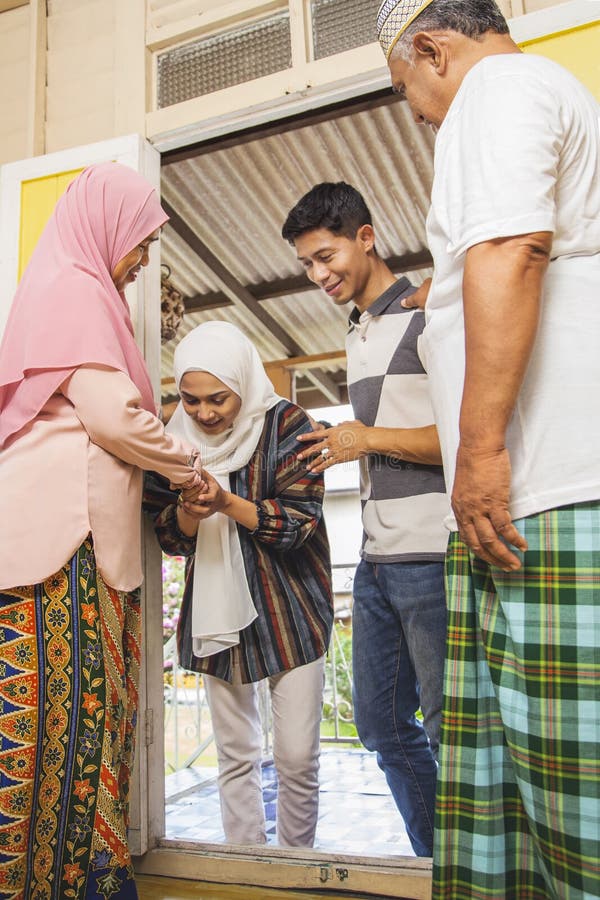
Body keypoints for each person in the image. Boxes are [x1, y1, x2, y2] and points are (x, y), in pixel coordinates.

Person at [376, 1, 600, 897]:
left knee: (569, 788)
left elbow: (510, 246)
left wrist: (477, 453)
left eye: (408, 94)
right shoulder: (533, 88)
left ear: (432, 49)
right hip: (528, 490)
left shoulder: (497, 89)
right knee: (515, 779)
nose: (420, 116)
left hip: (544, 486)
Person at [0, 162, 203, 900]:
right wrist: (189, 466)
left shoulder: (74, 294)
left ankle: (77, 876)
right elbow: (115, 419)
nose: (143, 257)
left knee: (84, 719)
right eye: (139, 239)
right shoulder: (75, 290)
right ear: (104, 225)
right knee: (66, 719)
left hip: (75, 544)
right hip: (63, 546)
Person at [281, 182, 448, 857]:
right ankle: (437, 859)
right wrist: (346, 444)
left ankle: (469, 874)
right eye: (307, 265)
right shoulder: (358, 330)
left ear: (366, 237)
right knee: (380, 726)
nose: (318, 275)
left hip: (433, 553)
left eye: (326, 257)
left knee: (448, 729)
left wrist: (366, 438)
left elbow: (464, 436)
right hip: (377, 559)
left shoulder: (428, 316)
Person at [144, 321, 333, 848]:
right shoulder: (172, 442)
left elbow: (297, 525)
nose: (204, 413)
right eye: (191, 399)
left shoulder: (288, 426)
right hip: (216, 612)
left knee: (297, 757)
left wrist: (225, 502)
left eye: (218, 399)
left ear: (243, 385)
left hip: (291, 609)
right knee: (235, 755)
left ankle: (296, 867)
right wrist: (188, 510)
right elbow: (168, 535)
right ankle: (245, 862)